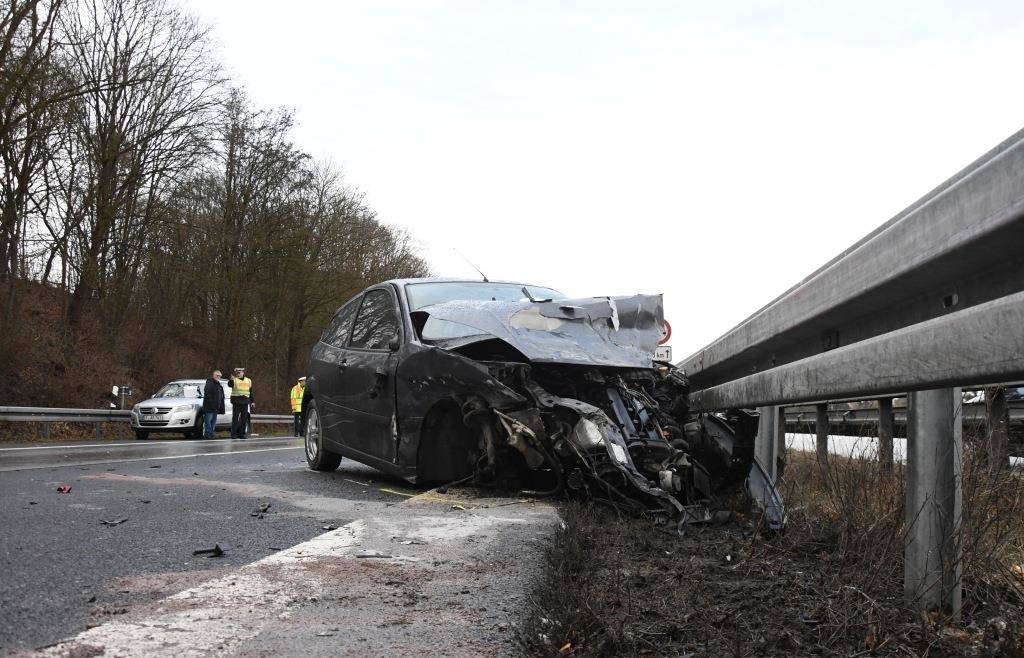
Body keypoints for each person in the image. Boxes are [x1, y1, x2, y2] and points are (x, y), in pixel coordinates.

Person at [228, 367, 254, 439]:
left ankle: (242, 434)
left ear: (243, 373)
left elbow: (251, 392)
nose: (239, 374)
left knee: (244, 419)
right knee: (235, 419)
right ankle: (233, 434)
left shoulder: (248, 380)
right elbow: (230, 385)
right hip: (236, 401)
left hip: (245, 402)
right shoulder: (234, 380)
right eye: (237, 373)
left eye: (240, 372)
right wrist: (231, 380)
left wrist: (252, 401)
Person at [202, 370, 225, 439]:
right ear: (213, 375)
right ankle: (207, 433)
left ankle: (211, 433)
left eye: (220, 376)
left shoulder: (218, 385)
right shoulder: (210, 383)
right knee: (208, 420)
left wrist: (220, 405)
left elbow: (221, 396)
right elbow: (207, 394)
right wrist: (211, 403)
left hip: (216, 407)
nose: (218, 377)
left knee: (213, 421)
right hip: (209, 406)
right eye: (217, 375)